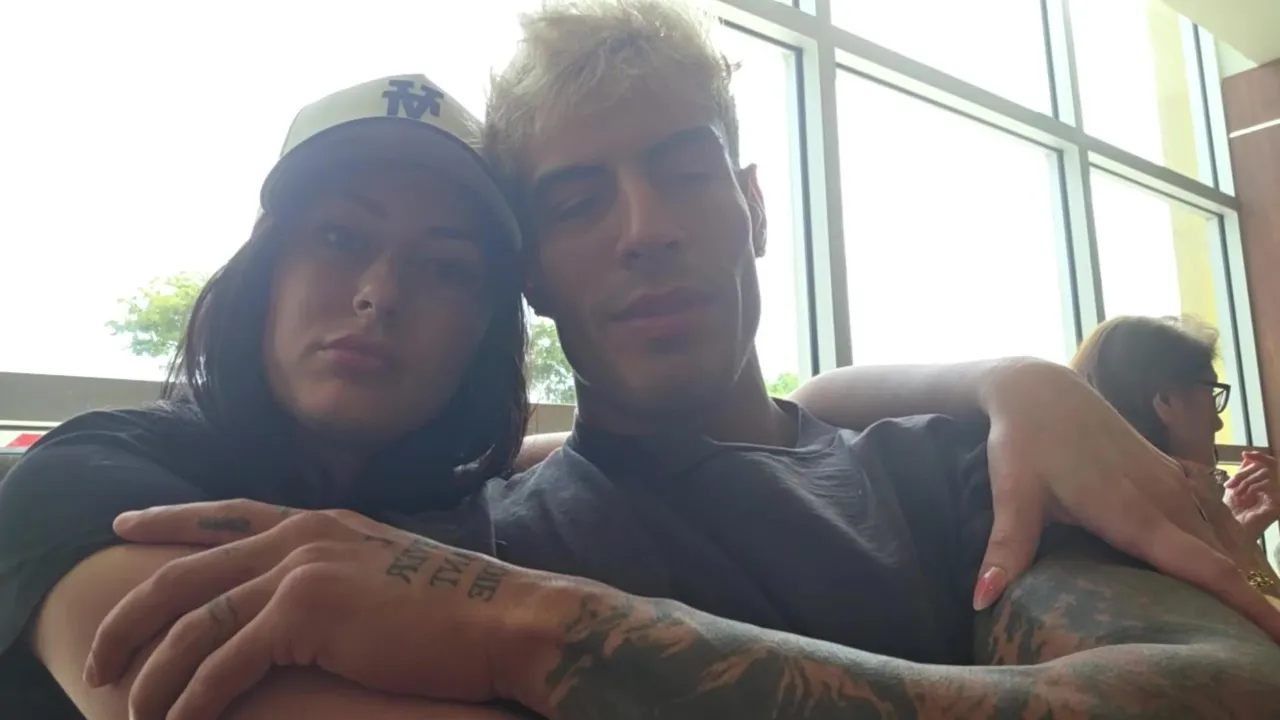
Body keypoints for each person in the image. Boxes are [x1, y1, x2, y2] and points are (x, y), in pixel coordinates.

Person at [68, 2, 1280, 719]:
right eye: (577, 200)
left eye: (683, 172)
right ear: (532, 274)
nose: (643, 228)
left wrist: (544, 634)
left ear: (752, 207)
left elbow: (1222, 694)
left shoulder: (966, 472)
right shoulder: (450, 547)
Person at [1071, 314, 1280, 580]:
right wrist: (1235, 543)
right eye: (1212, 394)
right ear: (1166, 401)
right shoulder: (1161, 544)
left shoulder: (1097, 525)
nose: (1217, 423)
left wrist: (1233, 533)